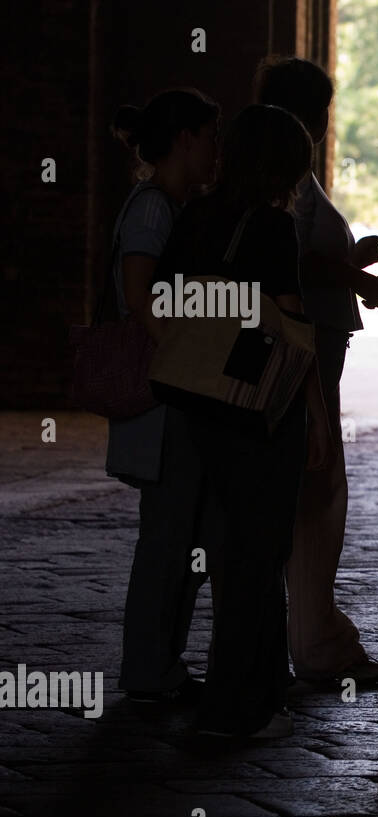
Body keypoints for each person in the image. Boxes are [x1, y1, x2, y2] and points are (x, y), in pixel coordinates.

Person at [156, 104, 328, 738]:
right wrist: (314, 413)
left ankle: (261, 689)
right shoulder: (273, 226)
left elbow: (165, 296)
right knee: (260, 552)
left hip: (198, 398)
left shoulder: (197, 214)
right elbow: (293, 325)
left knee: (237, 546)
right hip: (256, 401)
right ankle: (231, 705)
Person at [253, 55, 378, 687]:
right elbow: (293, 261)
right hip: (303, 359)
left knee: (304, 493)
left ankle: (304, 638)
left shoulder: (272, 173)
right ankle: (317, 642)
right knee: (315, 493)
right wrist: (353, 272)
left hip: (310, 355)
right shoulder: (291, 177)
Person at [106, 88, 221, 705]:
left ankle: (160, 661)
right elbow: (141, 298)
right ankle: (151, 664)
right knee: (168, 537)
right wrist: (187, 362)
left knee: (179, 534)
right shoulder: (153, 211)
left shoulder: (168, 207)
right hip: (165, 396)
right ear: (185, 139)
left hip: (174, 391)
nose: (215, 154)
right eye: (209, 139)